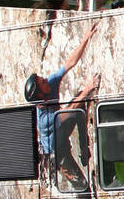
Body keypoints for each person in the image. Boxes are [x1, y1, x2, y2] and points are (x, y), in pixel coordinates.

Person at [25, 22, 101, 186]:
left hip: (61, 130)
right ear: (41, 95)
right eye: (42, 82)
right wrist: (88, 88)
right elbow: (69, 111)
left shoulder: (49, 84)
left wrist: (86, 38)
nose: (46, 79)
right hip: (57, 152)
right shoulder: (44, 119)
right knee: (81, 184)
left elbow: (70, 63)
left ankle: (84, 148)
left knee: (79, 102)